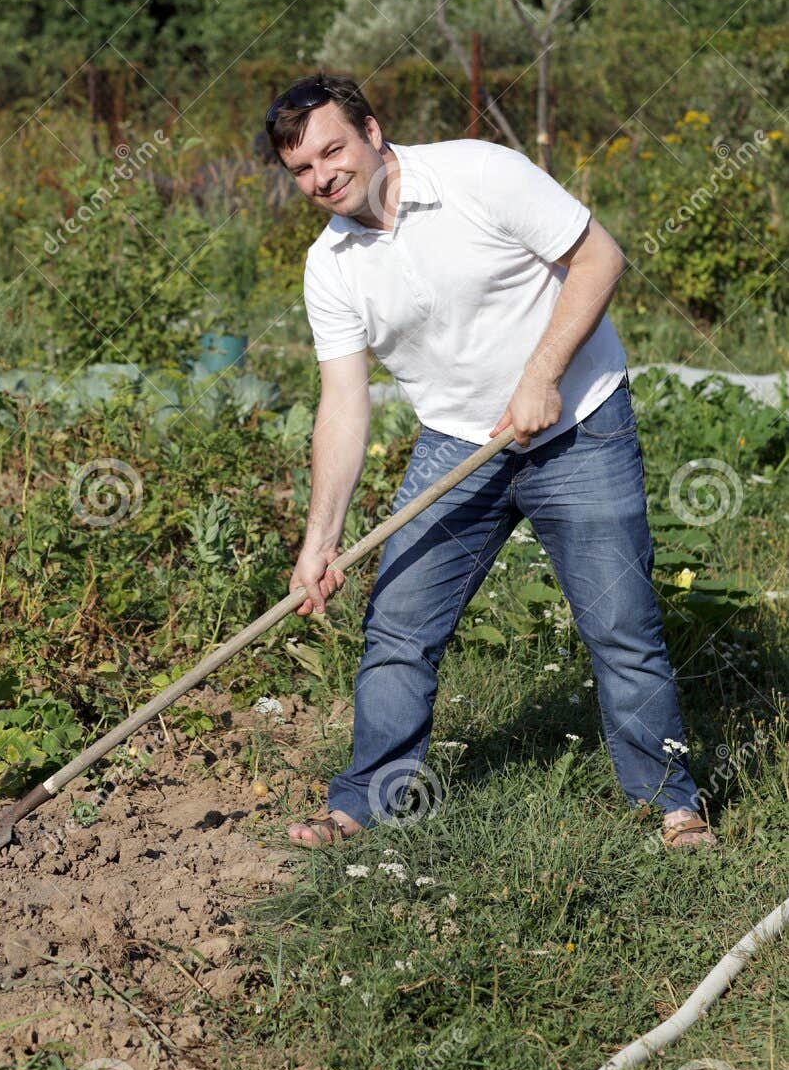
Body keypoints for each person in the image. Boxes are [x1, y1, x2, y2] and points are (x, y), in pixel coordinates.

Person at [264, 71, 715, 853]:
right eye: (300, 169)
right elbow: (343, 403)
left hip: (577, 426)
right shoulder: (330, 264)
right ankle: (368, 802)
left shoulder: (477, 172)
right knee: (397, 628)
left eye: (331, 151)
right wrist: (320, 541)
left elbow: (599, 257)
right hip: (456, 448)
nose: (321, 177)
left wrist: (541, 375)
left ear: (371, 132)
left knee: (619, 627)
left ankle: (670, 807)